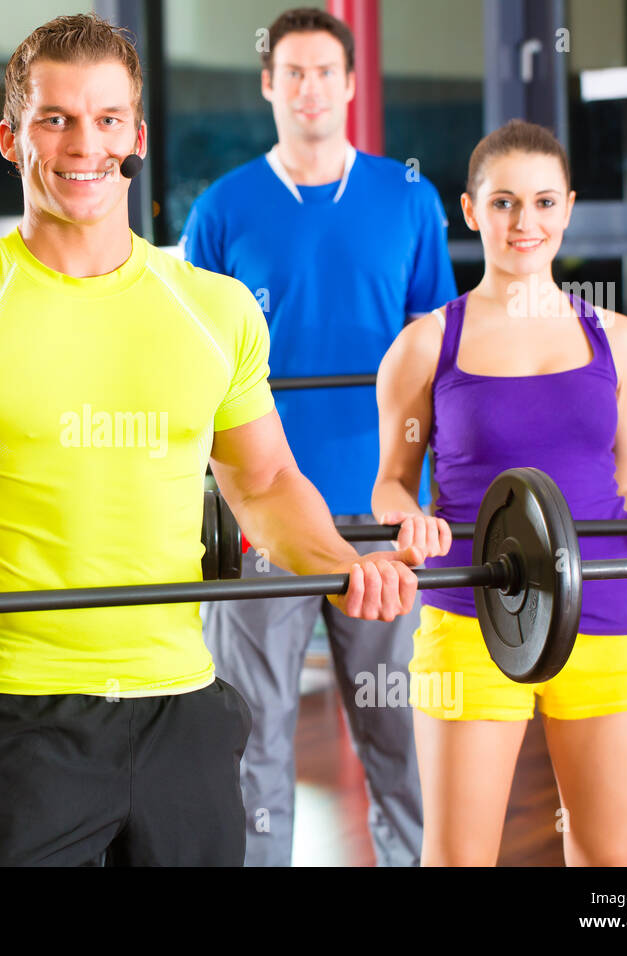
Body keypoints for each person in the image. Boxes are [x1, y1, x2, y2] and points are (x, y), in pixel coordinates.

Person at [0, 13, 425, 867]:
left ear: (137, 136)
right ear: (13, 137)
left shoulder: (216, 308)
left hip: (184, 709)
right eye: (56, 120)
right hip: (23, 716)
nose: (85, 145)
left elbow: (264, 481)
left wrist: (342, 565)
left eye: (107, 119)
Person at [373, 119, 627, 866]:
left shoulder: (618, 339)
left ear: (568, 209)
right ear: (472, 212)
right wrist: (407, 520)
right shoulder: (425, 344)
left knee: (610, 861)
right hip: (471, 618)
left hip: (603, 611)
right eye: (504, 203)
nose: (525, 222)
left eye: (543, 202)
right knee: (456, 860)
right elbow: (389, 484)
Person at [179, 7, 456, 866]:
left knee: (397, 733)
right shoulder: (223, 209)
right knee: (252, 735)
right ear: (269, 84)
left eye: (324, 72)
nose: (308, 88)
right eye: (291, 72)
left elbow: (433, 356)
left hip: (381, 510)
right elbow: (194, 367)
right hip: (263, 517)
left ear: (349, 84)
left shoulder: (407, 200)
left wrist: (424, 495)